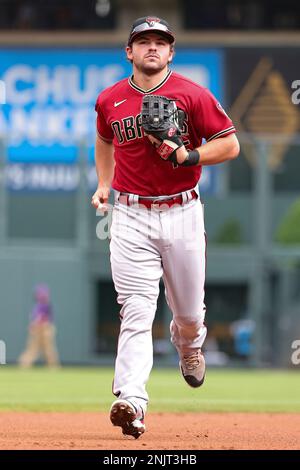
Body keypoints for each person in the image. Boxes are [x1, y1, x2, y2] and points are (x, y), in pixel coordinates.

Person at [92, 16, 239, 439]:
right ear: (129, 52)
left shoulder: (192, 94)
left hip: (182, 212)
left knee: (189, 315)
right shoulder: (110, 99)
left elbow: (230, 144)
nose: (152, 47)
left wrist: (188, 156)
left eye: (160, 42)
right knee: (136, 310)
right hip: (132, 214)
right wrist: (104, 183)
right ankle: (132, 401)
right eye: (143, 41)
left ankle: (190, 349)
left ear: (171, 52)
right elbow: (104, 139)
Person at [18, 284, 60, 368]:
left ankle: (53, 365)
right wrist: (33, 324)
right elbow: (34, 318)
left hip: (46, 328)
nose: (42, 296)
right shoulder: (38, 305)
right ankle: (24, 363)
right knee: (33, 348)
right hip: (37, 328)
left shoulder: (46, 305)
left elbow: (46, 318)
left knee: (48, 349)